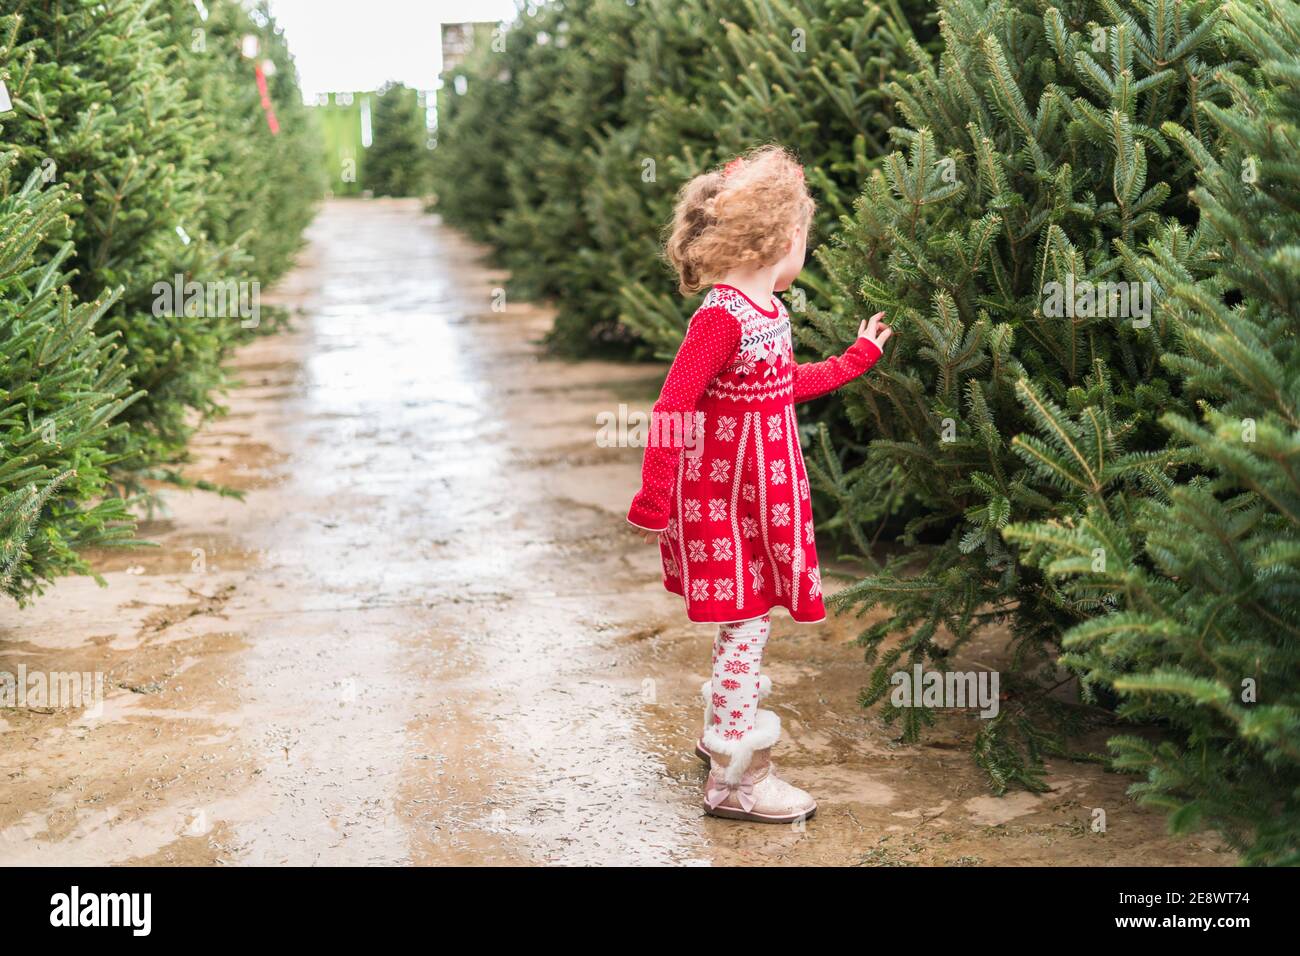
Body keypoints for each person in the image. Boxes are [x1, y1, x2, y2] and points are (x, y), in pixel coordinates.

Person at [626, 145, 895, 823]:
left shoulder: (769, 312)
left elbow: (782, 386)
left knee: (749, 622)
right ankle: (734, 782)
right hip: (723, 499)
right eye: (805, 232)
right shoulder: (721, 316)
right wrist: (655, 496)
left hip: (766, 492)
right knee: (746, 623)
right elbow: (673, 405)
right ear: (783, 238)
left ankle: (722, 729)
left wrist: (857, 358)